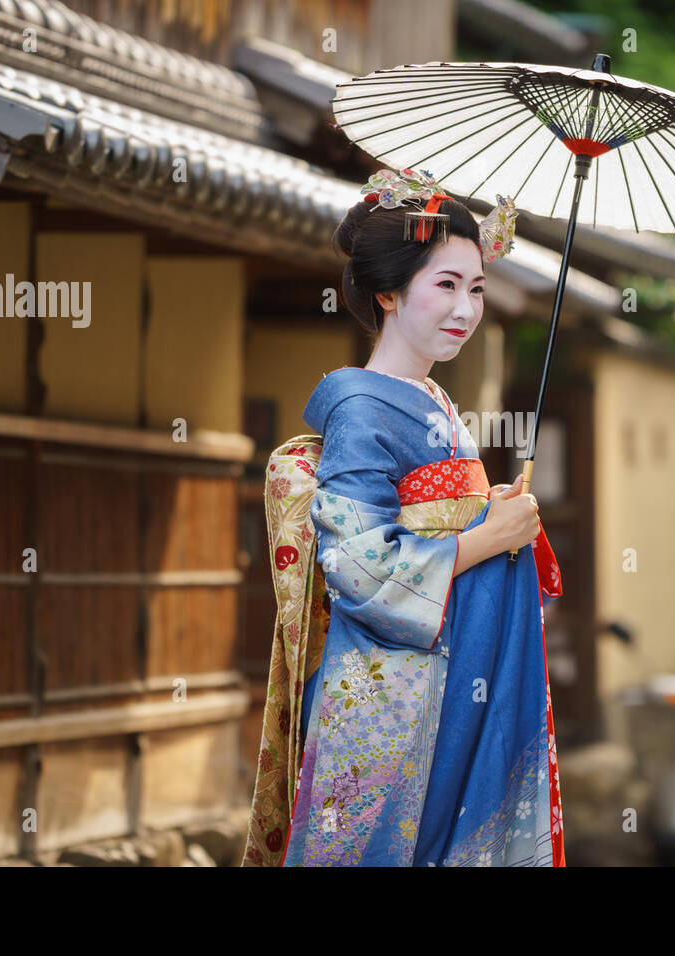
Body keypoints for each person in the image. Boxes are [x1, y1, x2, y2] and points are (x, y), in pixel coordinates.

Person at [243, 169, 565, 866]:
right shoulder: (362, 407)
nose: (466, 308)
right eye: (444, 285)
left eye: (476, 288)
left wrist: (492, 511)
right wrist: (486, 536)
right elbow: (359, 566)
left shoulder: (433, 398)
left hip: (454, 668)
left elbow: (441, 519)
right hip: (393, 689)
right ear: (387, 293)